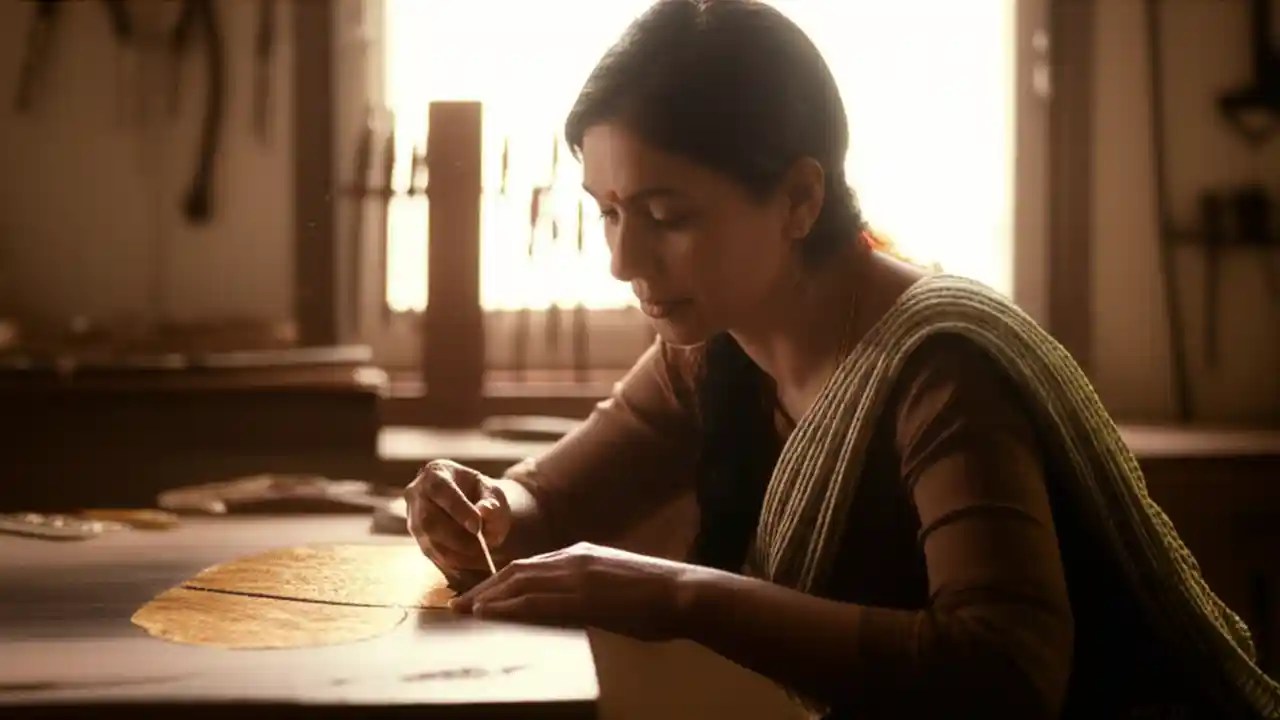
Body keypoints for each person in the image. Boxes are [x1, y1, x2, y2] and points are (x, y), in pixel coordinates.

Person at [405, 1, 1279, 718]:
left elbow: (1006, 674)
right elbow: (549, 500)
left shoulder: (939, 369)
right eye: (608, 212)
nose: (623, 262)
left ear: (798, 198)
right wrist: (482, 509)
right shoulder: (716, 347)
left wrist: (682, 597)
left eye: (667, 217)